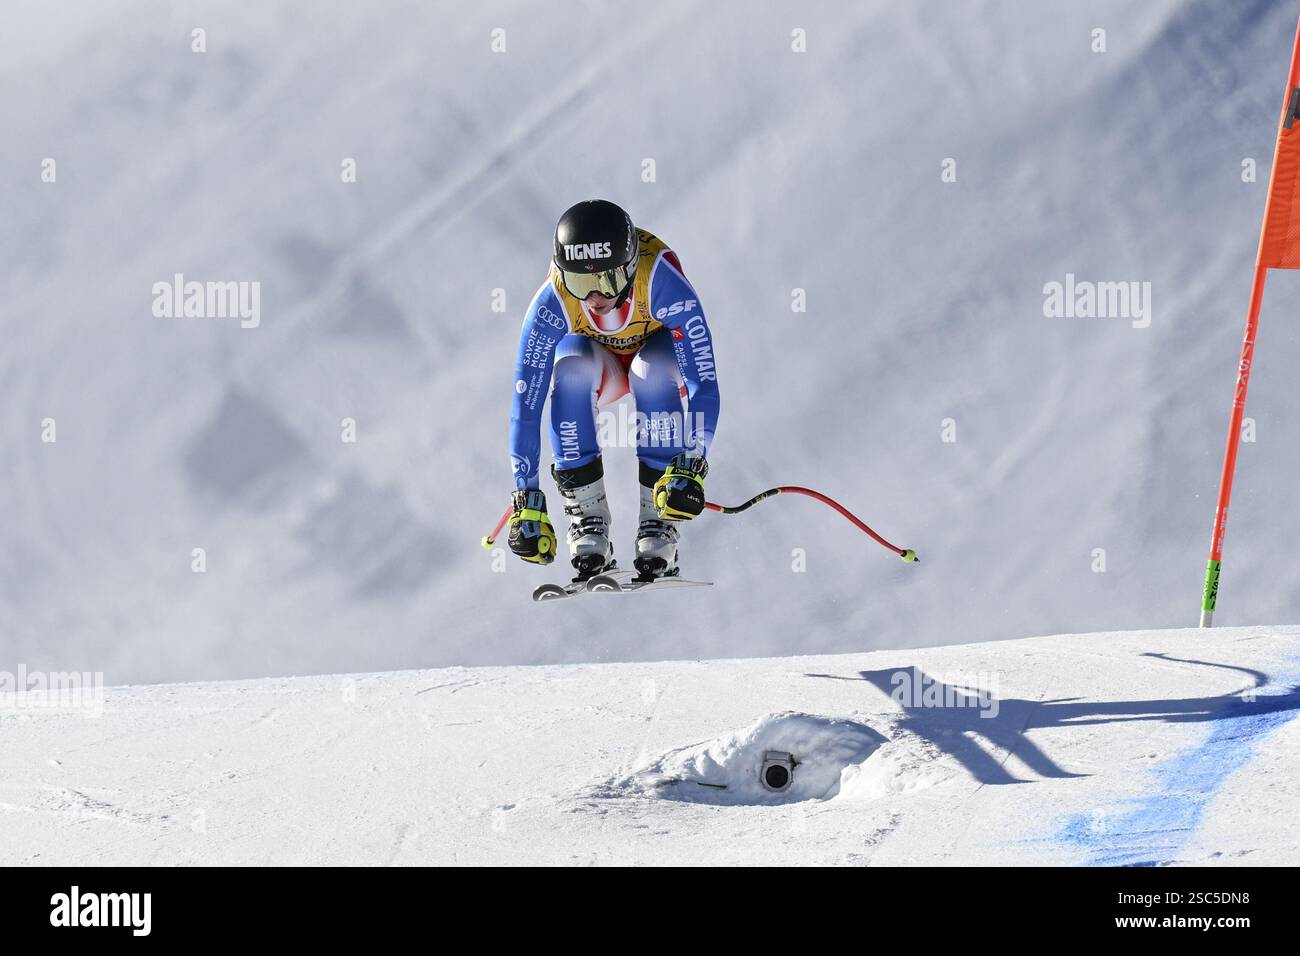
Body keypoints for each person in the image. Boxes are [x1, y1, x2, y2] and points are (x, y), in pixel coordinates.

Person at [506, 199, 721, 579]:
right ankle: (587, 520)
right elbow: (527, 403)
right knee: (570, 370)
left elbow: (702, 381)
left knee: (649, 371)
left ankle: (658, 521)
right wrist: (527, 498)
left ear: (630, 266)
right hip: (599, 364)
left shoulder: (659, 281)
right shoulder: (553, 300)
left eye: (605, 281)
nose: (594, 298)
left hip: (660, 359)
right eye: (580, 283)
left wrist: (692, 460)